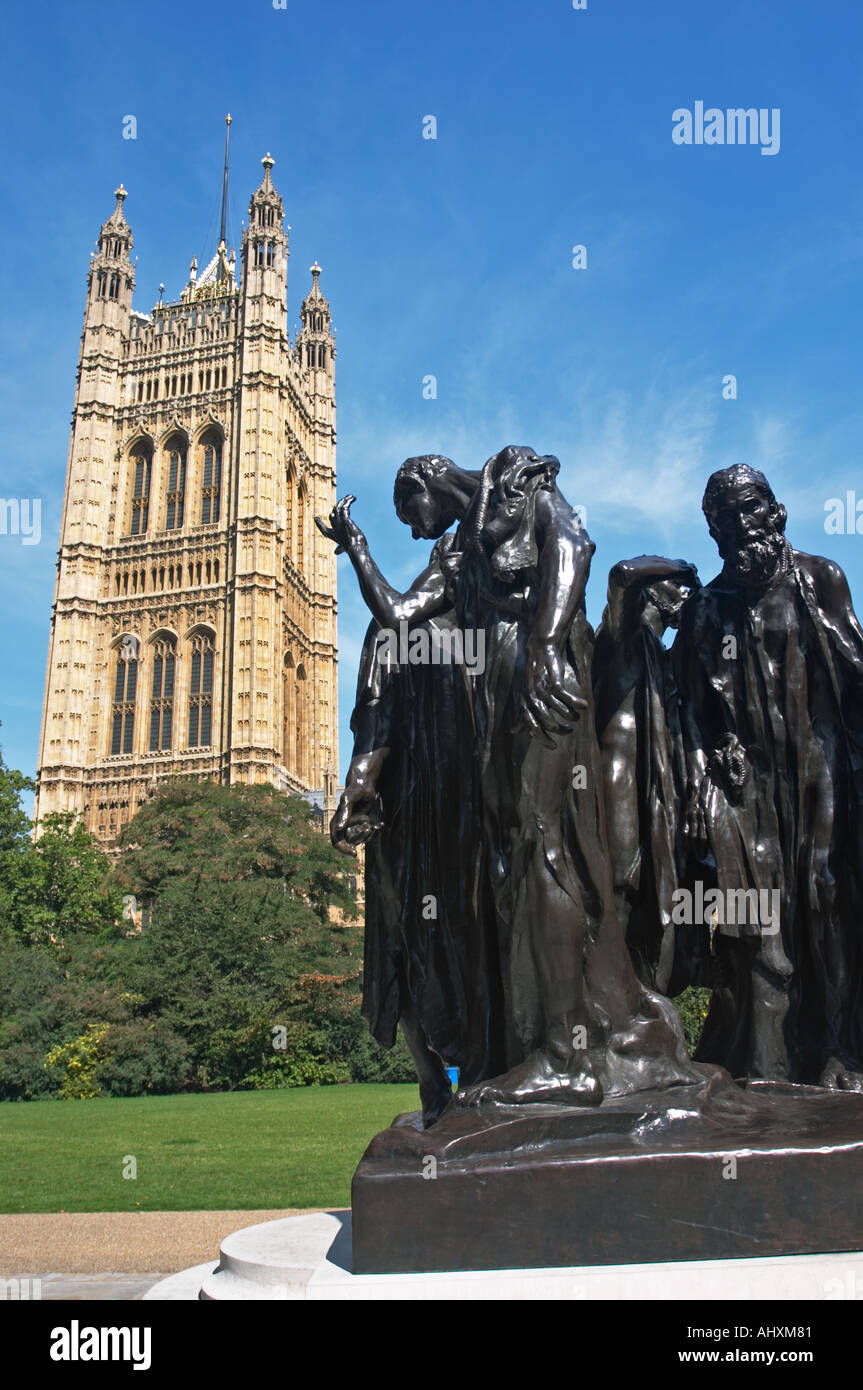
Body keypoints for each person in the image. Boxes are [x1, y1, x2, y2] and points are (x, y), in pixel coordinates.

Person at [316, 458, 505, 1126]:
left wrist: (357, 549)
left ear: (431, 493)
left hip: (462, 747)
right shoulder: (453, 551)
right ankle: (435, 1080)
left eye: (411, 513)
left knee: (454, 928)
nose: (413, 529)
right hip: (422, 764)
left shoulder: (471, 546)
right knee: (409, 932)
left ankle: (473, 1072)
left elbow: (396, 613)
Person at [675, 464, 863, 1086]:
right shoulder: (708, 607)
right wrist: (707, 759)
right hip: (748, 782)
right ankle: (769, 1057)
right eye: (725, 517)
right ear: (713, 531)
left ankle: (839, 1047)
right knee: (758, 916)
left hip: (821, 761)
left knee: (827, 892)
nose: (742, 523)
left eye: (751, 507)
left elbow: (853, 673)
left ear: (776, 510)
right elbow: (684, 709)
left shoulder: (819, 579)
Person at [592, 556, 699, 993]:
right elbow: (620, 574)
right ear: (655, 591)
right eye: (682, 588)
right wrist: (676, 565)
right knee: (621, 880)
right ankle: (606, 990)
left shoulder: (662, 653)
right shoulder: (623, 635)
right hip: (618, 773)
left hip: (656, 781)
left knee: (654, 885)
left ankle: (642, 986)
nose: (690, 597)